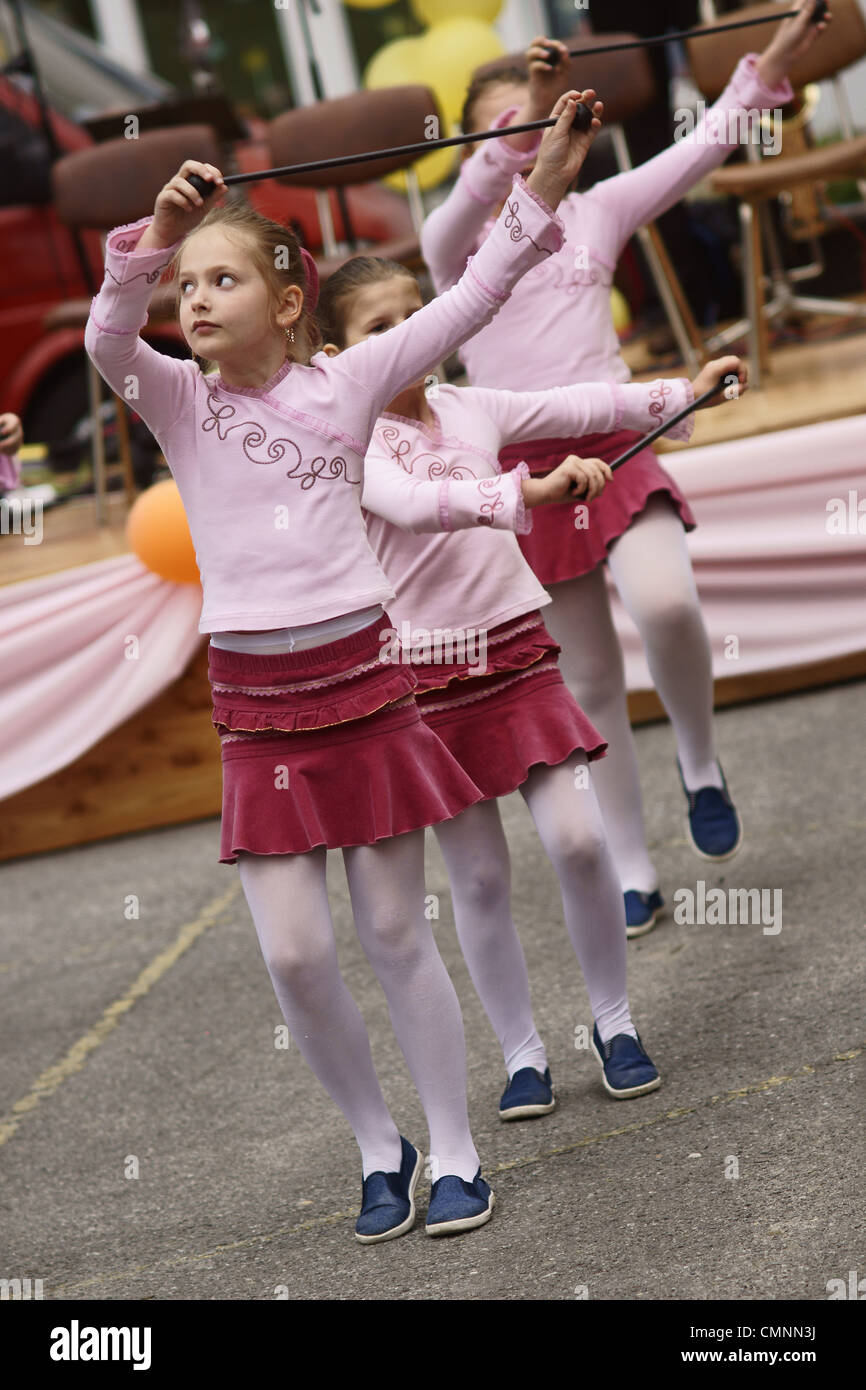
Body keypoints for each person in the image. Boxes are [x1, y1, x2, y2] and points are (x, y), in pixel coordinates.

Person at [84, 92, 597, 1243]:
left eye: (219, 281)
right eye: (186, 288)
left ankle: (456, 1150)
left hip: (364, 687)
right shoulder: (175, 400)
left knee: (392, 929)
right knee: (296, 954)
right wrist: (149, 247)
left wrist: (544, 184)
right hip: (258, 713)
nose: (194, 300)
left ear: (285, 298)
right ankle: (379, 1144)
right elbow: (107, 341)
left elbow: (470, 294)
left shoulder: (345, 387)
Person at [421, 0, 829, 937]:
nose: (523, 137)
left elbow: (709, 142)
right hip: (524, 471)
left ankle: (700, 764)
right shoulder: (456, 249)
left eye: (538, 116)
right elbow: (473, 190)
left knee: (670, 605)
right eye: (505, 128)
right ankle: (634, 870)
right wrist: (525, 103)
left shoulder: (598, 209)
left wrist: (770, 55)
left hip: (617, 440)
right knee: (591, 685)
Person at [317, 251, 746, 1116]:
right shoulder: (349, 440)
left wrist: (682, 392)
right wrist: (529, 491)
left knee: (581, 843)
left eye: (417, 314)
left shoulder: (471, 405)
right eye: (380, 327)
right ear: (336, 356)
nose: (411, 337)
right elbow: (408, 503)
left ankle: (614, 1022)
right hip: (429, 687)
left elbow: (583, 403)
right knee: (477, 881)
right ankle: (521, 1053)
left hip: (517, 659)